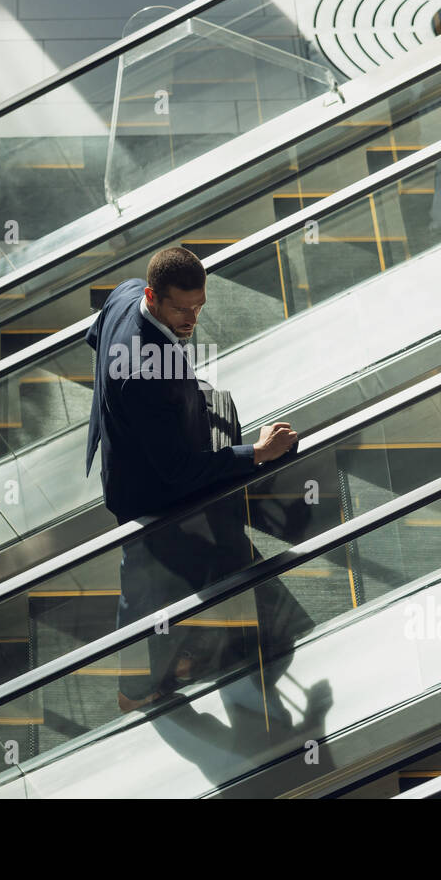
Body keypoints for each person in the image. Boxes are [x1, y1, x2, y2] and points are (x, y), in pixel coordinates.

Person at [85, 247, 301, 711]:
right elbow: (179, 470)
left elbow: (95, 333)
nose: (191, 318)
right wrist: (258, 453)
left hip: (132, 461)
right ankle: (136, 690)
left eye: (198, 305)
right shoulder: (144, 376)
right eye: (181, 308)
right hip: (147, 493)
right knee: (147, 586)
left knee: (167, 572)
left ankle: (175, 652)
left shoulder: (124, 296)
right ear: (153, 296)